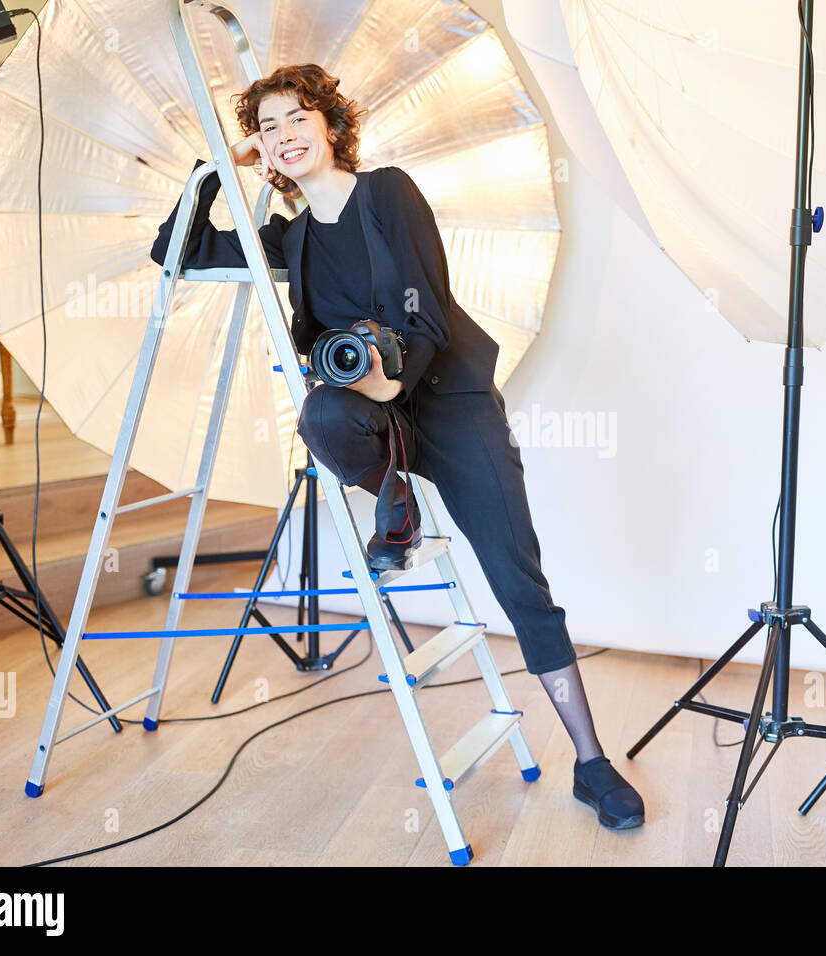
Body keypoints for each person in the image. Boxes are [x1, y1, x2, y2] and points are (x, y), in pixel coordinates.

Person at [149, 63, 643, 830]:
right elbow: (175, 253)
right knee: (320, 416)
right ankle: (395, 496)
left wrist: (389, 381)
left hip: (450, 403)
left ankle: (591, 761)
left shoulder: (389, 193)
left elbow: (426, 312)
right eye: (268, 125)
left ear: (333, 125)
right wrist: (213, 166)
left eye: (297, 117)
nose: (283, 135)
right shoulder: (290, 237)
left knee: (519, 580)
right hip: (375, 423)